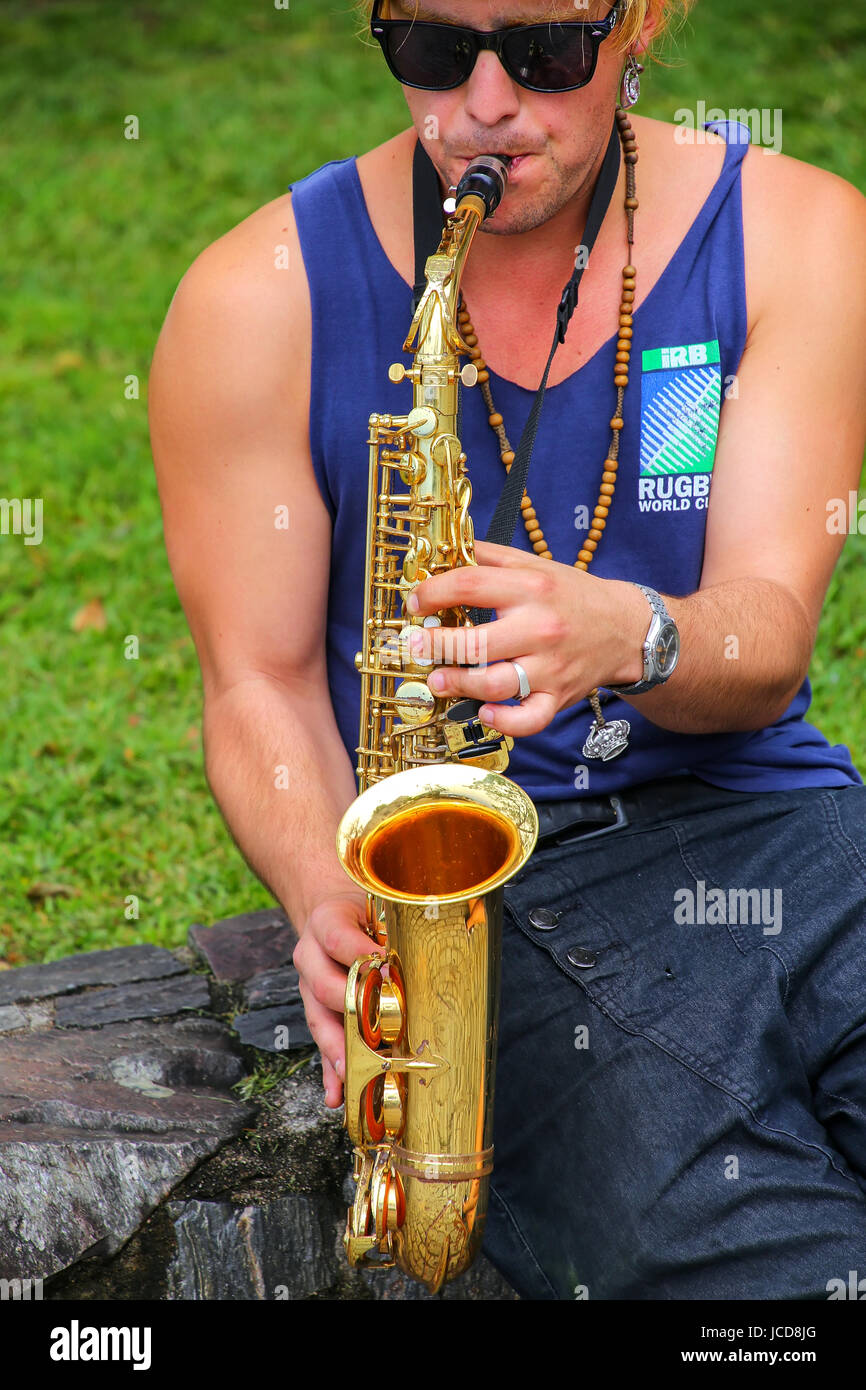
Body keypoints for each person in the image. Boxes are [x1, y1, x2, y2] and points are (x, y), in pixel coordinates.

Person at [149, 0, 866, 1299]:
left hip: (779, 830)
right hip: (496, 909)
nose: (480, 105)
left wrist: (631, 631)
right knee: (781, 1278)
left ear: (635, 23)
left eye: (542, 51)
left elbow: (763, 633)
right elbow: (255, 681)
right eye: (430, 49)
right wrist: (333, 901)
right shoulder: (250, 303)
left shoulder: (795, 233)